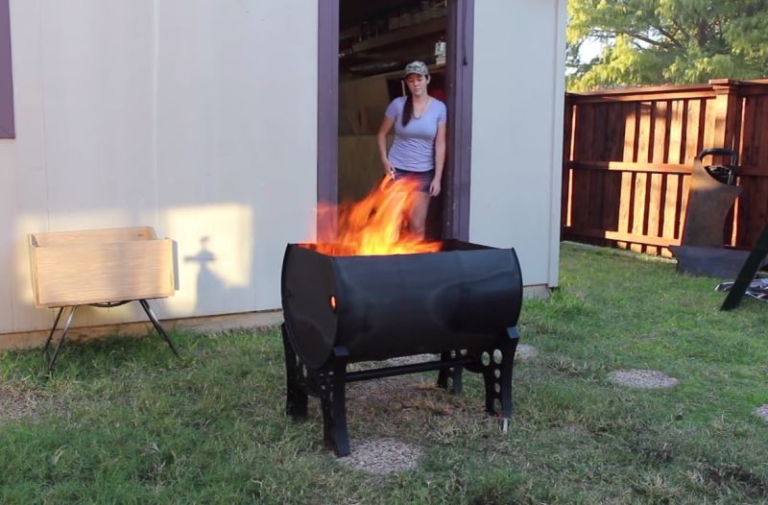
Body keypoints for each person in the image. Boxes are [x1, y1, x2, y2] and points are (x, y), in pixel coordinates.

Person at [377, 60, 447, 240]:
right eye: (411, 80)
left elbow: (440, 144)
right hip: (397, 171)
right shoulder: (398, 105)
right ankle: (387, 264)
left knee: (417, 226)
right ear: (406, 83)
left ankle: (415, 266)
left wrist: (437, 178)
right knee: (390, 224)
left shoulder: (439, 108)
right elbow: (381, 134)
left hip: (423, 173)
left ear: (427, 79)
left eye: (419, 79)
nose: (415, 84)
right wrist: (385, 161)